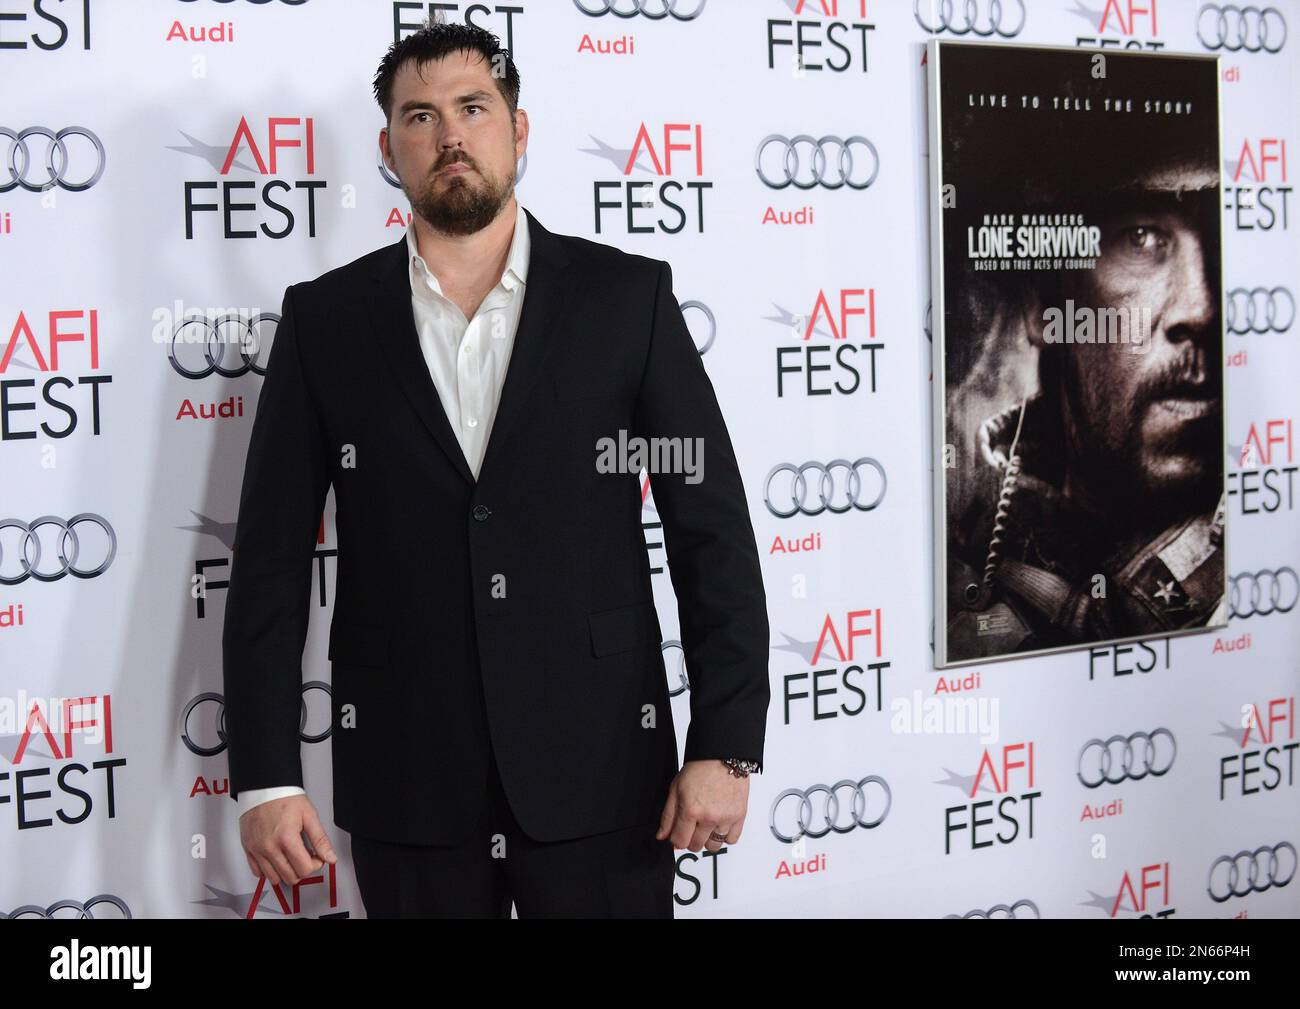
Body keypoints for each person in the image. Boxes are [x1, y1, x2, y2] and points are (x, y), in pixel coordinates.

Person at [221, 21, 769, 918]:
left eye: (474, 109)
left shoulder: (627, 301)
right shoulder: (324, 322)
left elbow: (711, 529)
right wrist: (265, 778)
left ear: (519, 131)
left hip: (601, 775)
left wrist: (728, 741)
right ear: (388, 150)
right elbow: (273, 560)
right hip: (409, 781)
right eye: (420, 117)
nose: (450, 137)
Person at [947, 146, 1225, 661]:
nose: (1202, 308)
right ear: (1045, 305)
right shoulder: (961, 554)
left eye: (1223, 231)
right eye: (1140, 236)